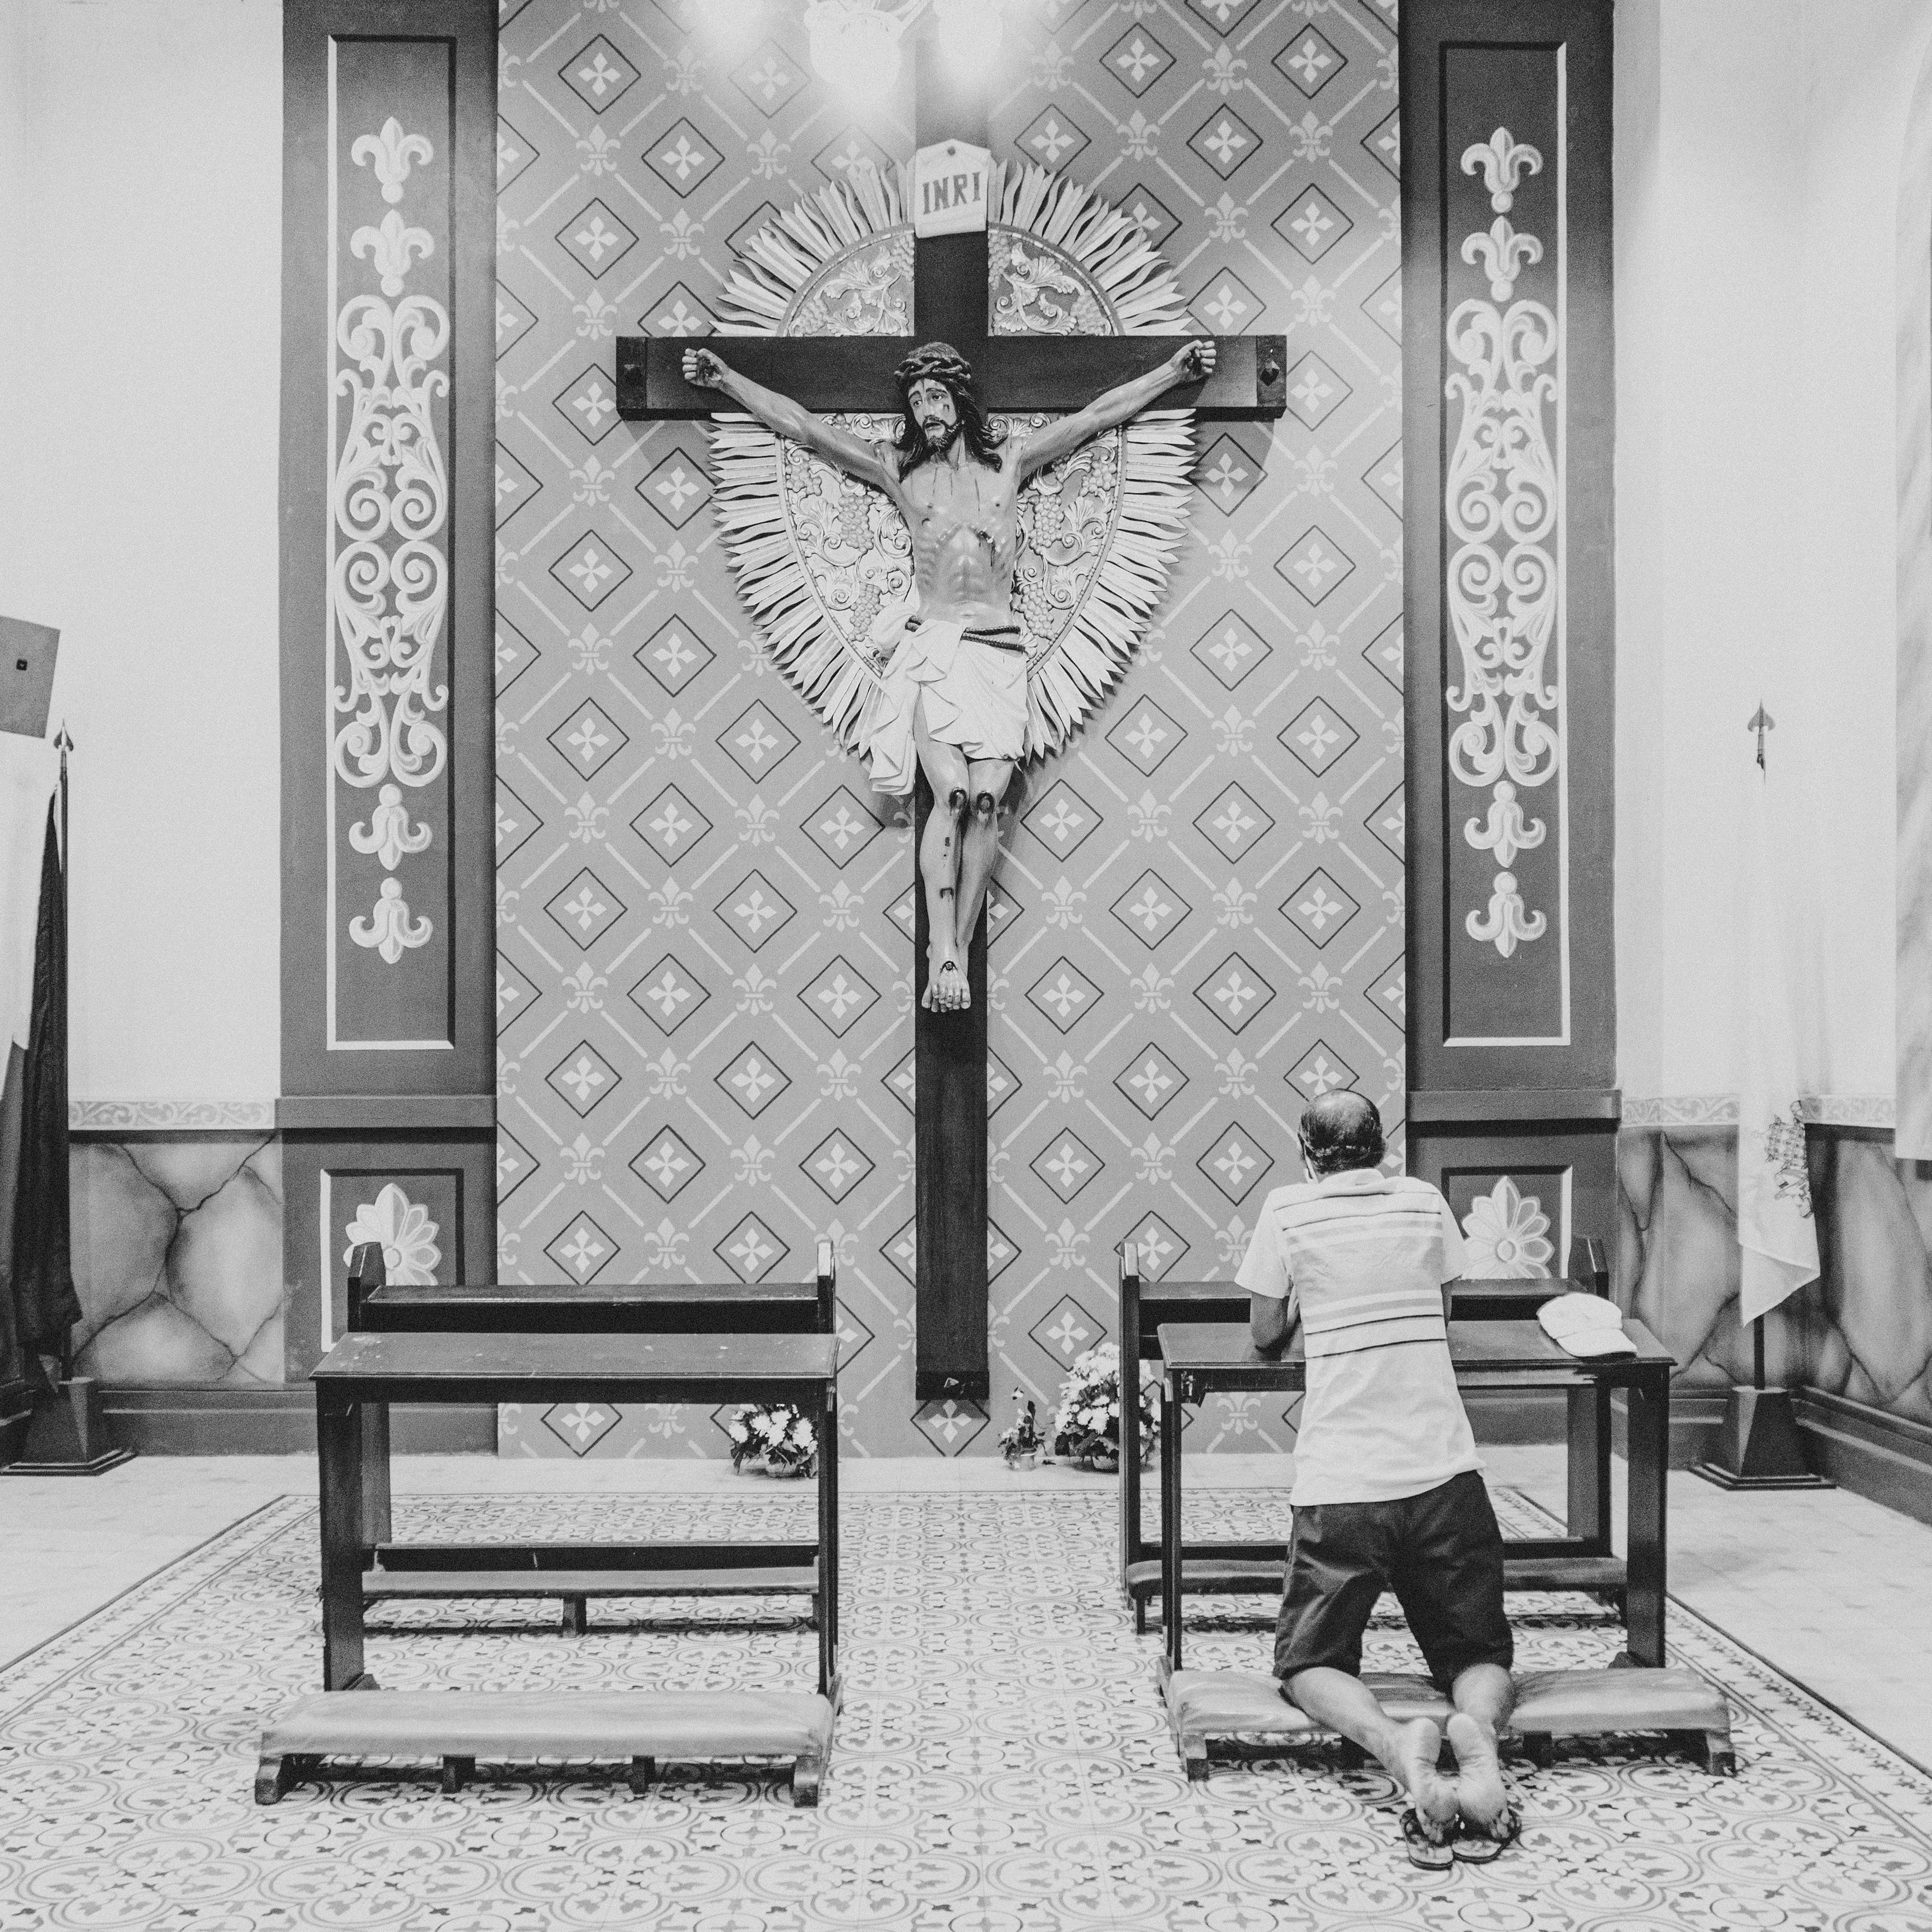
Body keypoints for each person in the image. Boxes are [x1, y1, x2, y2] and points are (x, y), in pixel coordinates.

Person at [679, 335, 1214, 1012]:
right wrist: (727, 380)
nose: (926, 410)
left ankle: (954, 953)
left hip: (998, 652)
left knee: (988, 804)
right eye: (916, 400)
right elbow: (807, 429)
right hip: (935, 651)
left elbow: (1095, 417)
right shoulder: (900, 473)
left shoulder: (1010, 464)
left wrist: (1171, 372)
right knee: (953, 797)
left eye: (936, 396)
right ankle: (943, 951)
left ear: (960, 400)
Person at [1237, 1091, 1521, 1867]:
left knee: (1309, 1663)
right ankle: (1478, 1738)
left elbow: (1265, 1331)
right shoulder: (1425, 1201)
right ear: (1383, 1148)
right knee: (1476, 1652)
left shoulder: (1288, 1210)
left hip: (1345, 1483)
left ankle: (1396, 1748)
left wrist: (1311, 1299)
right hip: (1445, 1474)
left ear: (1308, 1153)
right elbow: (1443, 1306)